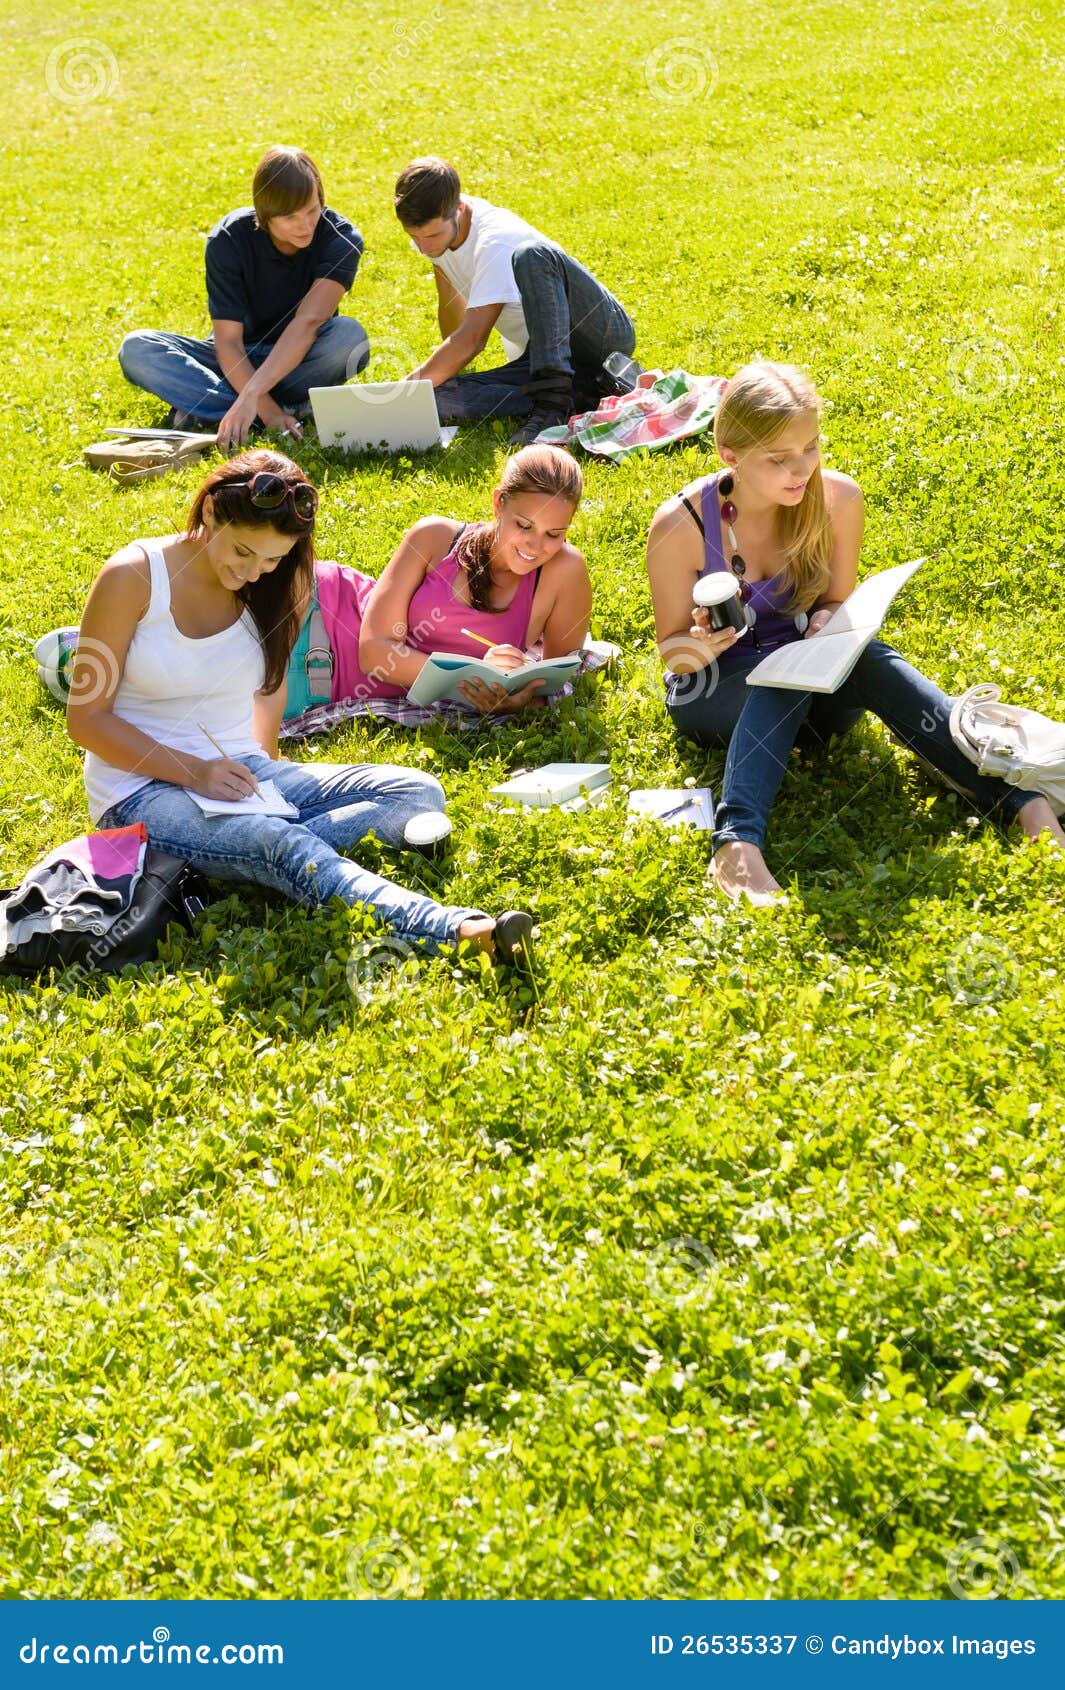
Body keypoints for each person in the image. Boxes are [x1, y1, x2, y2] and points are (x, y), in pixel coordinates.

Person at [65, 449, 534, 965]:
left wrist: (266, 774)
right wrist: (195, 772)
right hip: (138, 790)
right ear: (209, 513)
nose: (251, 572)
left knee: (416, 793)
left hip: (240, 772)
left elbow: (267, 690)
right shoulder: (133, 577)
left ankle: (238, 858)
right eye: (243, 552)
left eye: (270, 559)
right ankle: (461, 930)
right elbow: (86, 720)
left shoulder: (276, 581)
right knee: (276, 841)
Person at [645, 361, 1065, 906]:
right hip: (714, 694)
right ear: (730, 456)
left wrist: (827, 621)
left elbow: (836, 600)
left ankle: (1015, 798)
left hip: (813, 691)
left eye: (811, 448)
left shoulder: (837, 500)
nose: (801, 470)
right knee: (783, 672)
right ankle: (736, 845)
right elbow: (673, 657)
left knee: (861, 655)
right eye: (779, 459)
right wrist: (701, 645)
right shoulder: (680, 526)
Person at [281, 445, 591, 719]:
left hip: (319, 685)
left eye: (554, 534)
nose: (536, 546)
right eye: (523, 525)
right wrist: (475, 676)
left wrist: (517, 697)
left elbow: (552, 682)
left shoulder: (563, 570)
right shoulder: (434, 537)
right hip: (315, 611)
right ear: (499, 503)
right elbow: (374, 652)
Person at [118, 148, 370, 452]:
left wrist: (252, 396)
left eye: (312, 210)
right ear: (265, 214)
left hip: (300, 357)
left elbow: (309, 322)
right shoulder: (227, 240)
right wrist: (264, 404)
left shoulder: (341, 238)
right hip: (235, 360)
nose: (305, 225)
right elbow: (228, 342)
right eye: (290, 217)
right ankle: (284, 412)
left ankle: (214, 410)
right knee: (137, 349)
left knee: (349, 338)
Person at [393, 157, 636, 446]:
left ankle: (552, 407)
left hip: (600, 335)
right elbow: (451, 305)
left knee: (531, 255)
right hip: (541, 358)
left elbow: (472, 339)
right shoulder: (434, 231)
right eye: (415, 237)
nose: (424, 246)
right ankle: (584, 392)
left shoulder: (496, 241)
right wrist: (422, 390)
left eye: (431, 235)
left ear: (457, 209)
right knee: (433, 398)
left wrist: (401, 394)